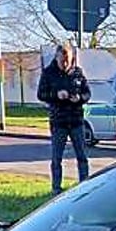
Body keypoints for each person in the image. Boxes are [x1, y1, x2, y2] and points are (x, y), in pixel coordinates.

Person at [37, 42, 91, 195]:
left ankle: (84, 186)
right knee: (57, 158)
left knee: (82, 156)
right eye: (62, 61)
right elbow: (41, 94)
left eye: (68, 61)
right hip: (58, 121)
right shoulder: (48, 73)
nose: (65, 64)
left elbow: (87, 93)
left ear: (72, 58)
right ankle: (56, 189)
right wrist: (56, 95)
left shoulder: (78, 73)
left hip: (76, 120)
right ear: (57, 57)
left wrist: (79, 98)